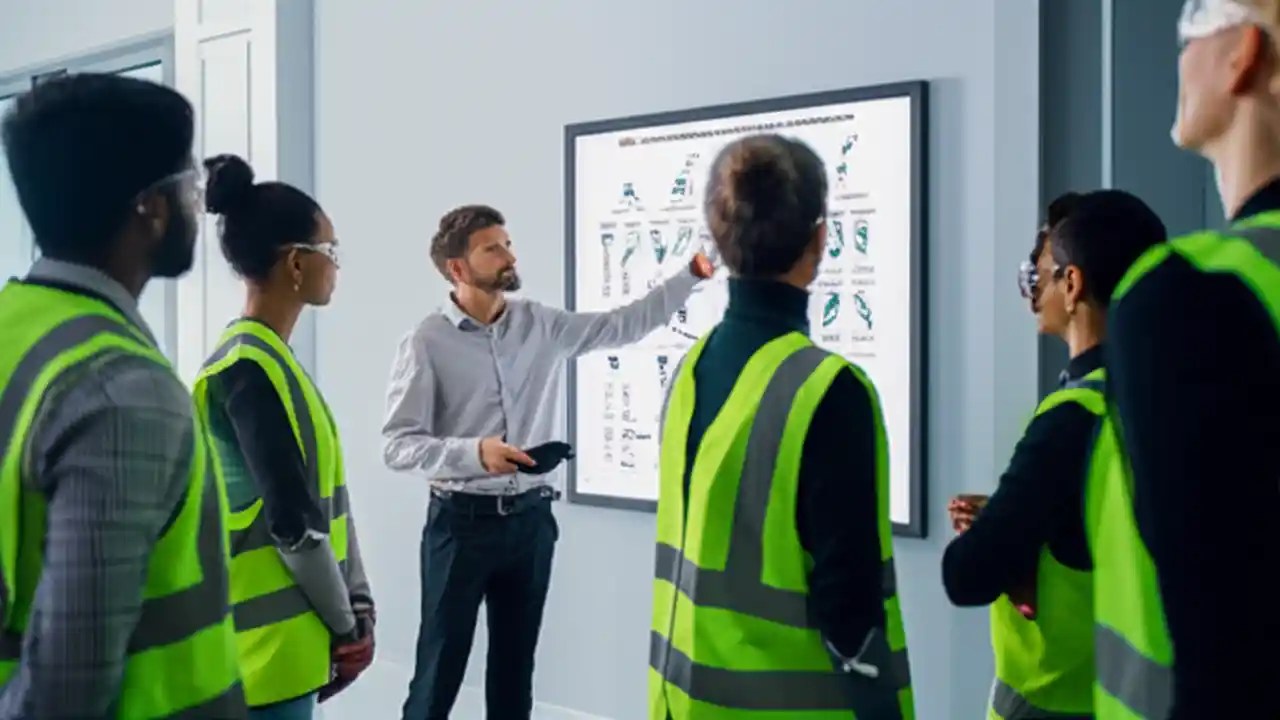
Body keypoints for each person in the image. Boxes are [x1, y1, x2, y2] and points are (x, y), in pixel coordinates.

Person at [383, 204, 714, 719]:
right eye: (492, 248)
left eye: (508, 243)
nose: (509, 254)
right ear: (457, 269)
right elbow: (398, 444)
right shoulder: (427, 342)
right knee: (439, 671)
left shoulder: (541, 324)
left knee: (516, 675)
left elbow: (622, 325)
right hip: (459, 526)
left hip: (531, 524)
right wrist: (475, 453)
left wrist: (690, 275)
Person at [0, 73, 245, 717]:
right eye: (189, 185)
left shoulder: (16, 331)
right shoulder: (122, 389)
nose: (197, 203)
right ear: (153, 207)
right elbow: (67, 687)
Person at [649, 134, 913, 719]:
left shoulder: (689, 374)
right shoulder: (829, 392)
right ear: (819, 240)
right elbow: (851, 609)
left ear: (716, 240)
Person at [1086, 3, 1280, 719]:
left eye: (1189, 29)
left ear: (1243, 56)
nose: (1177, 57)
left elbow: (1222, 641)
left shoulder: (1188, 296)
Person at [942, 190, 1168, 719]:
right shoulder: (1169, 398)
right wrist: (1022, 516)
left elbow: (967, 574)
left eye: (1042, 272)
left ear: (1073, 285)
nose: (1032, 290)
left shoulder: (1071, 417)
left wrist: (998, 528)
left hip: (1050, 702)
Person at [192, 154, 374, 719]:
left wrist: (357, 602)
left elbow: (326, 501)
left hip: (287, 650)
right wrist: (348, 626)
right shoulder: (246, 369)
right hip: (263, 656)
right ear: (297, 263)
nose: (336, 267)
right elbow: (294, 524)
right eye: (331, 252)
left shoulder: (274, 362)